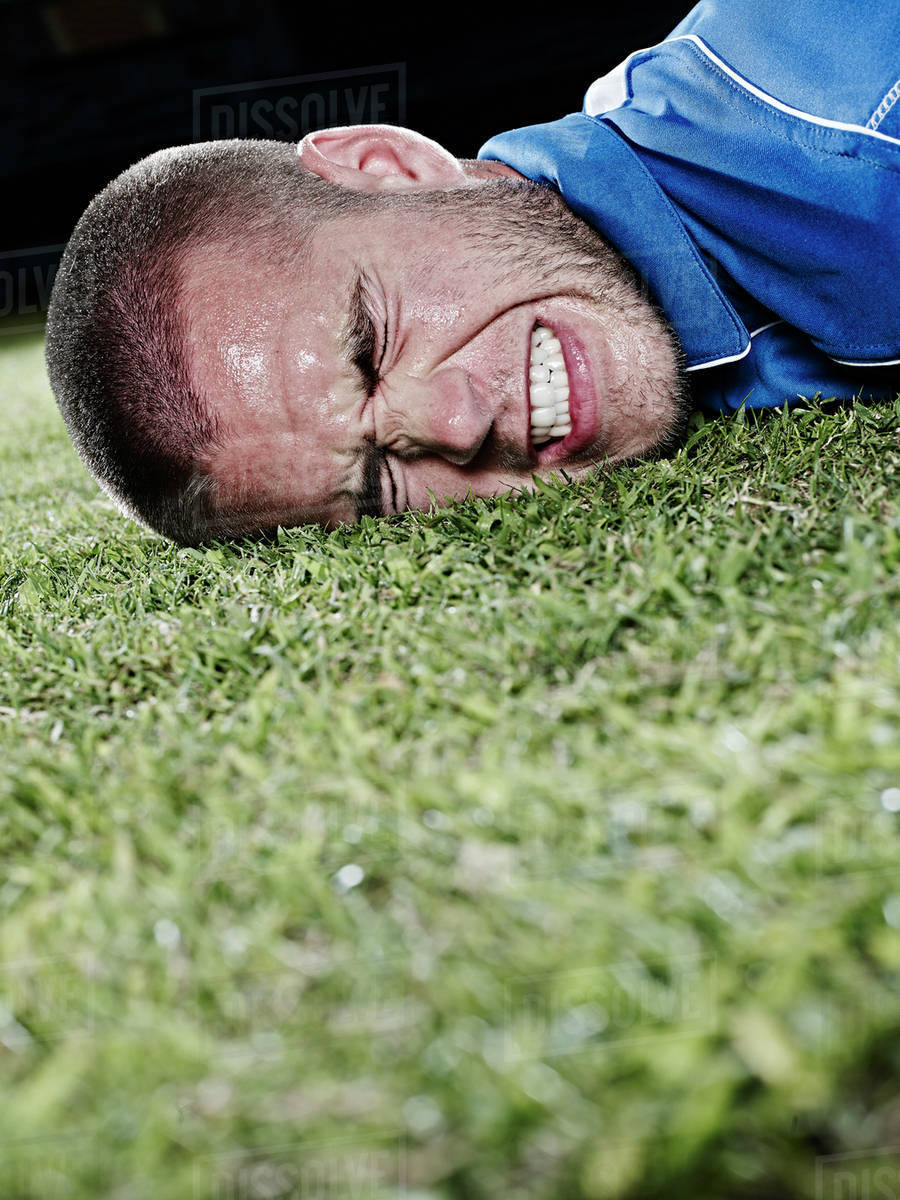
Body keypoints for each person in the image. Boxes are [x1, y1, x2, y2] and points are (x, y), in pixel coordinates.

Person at [45, 0, 900, 545]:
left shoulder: (851, 120)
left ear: (393, 166)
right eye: (379, 482)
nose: (453, 426)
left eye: (369, 347)